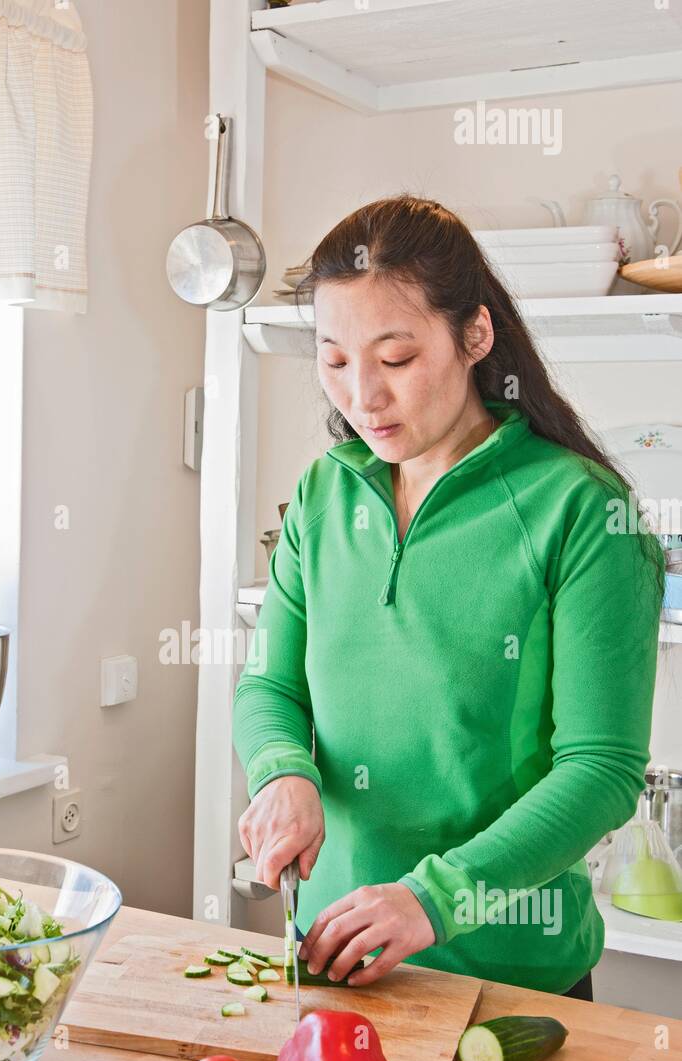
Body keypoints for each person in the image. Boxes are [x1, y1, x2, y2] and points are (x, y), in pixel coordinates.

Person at [233, 196, 665, 1002]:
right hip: (334, 954)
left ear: (475, 336)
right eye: (334, 361)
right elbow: (271, 687)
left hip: (506, 979)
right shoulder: (326, 492)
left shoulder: (578, 509)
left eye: (394, 358)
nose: (362, 397)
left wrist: (437, 898)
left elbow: (601, 769)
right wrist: (280, 772)